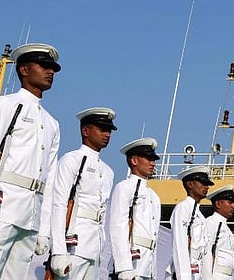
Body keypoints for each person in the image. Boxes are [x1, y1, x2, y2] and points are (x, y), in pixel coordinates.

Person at [0, 42, 61, 280]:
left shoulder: (52, 123)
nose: (50, 72)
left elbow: (49, 182)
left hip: (31, 215)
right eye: (44, 66)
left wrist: (44, 229)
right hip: (1, 209)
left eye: (53, 68)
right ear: (24, 70)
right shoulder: (5, 105)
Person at [46, 107, 116, 278]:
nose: (107, 134)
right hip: (73, 243)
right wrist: (58, 250)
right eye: (102, 129)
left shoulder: (108, 171)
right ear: (85, 130)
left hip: (95, 246)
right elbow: (59, 204)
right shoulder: (72, 160)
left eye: (109, 130)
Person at [109, 137, 162, 280]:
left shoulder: (154, 197)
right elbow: (118, 228)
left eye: (153, 159)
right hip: (132, 263)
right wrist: (124, 268)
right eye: (148, 158)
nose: (153, 163)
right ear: (134, 160)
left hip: (148, 265)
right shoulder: (124, 188)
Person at [167, 166, 215, 280]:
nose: (207, 187)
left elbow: (205, 252)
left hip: (197, 271)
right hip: (185, 271)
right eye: (202, 183)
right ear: (190, 184)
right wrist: (183, 277)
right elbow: (180, 245)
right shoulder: (182, 208)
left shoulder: (201, 216)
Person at [206, 185, 234, 280]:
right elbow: (207, 253)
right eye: (230, 202)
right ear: (218, 204)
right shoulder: (211, 223)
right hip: (215, 275)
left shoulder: (224, 226)